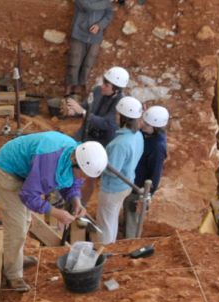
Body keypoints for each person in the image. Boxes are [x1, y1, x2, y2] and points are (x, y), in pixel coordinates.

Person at [0, 133, 107, 292]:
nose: (84, 178)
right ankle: (13, 275)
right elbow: (28, 196)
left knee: (25, 221)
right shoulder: (49, 163)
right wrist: (56, 213)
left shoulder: (78, 156)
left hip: (27, 171)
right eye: (83, 174)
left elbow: (73, 182)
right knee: (16, 227)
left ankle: (15, 257)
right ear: (75, 162)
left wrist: (76, 201)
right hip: (8, 170)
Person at [65, 0, 118, 98]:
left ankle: (79, 88)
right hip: (79, 31)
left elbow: (109, 14)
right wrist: (109, 0)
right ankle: (69, 88)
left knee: (88, 63)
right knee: (74, 61)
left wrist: (100, 25)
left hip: (95, 35)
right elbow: (88, 6)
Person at [97, 96, 144, 245]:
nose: (115, 116)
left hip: (112, 189)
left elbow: (112, 170)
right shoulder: (138, 135)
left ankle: (104, 251)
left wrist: (99, 165)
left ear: (123, 117)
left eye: (117, 113)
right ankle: (111, 246)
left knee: (105, 223)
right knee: (112, 218)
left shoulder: (120, 143)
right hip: (126, 184)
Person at [123, 105, 169, 239]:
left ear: (156, 128)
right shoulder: (147, 134)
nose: (143, 125)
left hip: (139, 188)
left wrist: (146, 195)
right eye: (144, 121)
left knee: (133, 218)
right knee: (127, 211)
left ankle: (131, 243)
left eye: (147, 125)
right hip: (131, 181)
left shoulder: (158, 147)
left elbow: (155, 174)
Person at [65, 65, 129, 147]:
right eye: (103, 83)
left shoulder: (121, 103)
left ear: (116, 90)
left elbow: (106, 123)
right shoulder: (97, 90)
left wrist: (83, 112)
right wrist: (74, 112)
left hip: (101, 142)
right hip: (85, 133)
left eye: (106, 85)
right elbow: (85, 107)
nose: (102, 86)